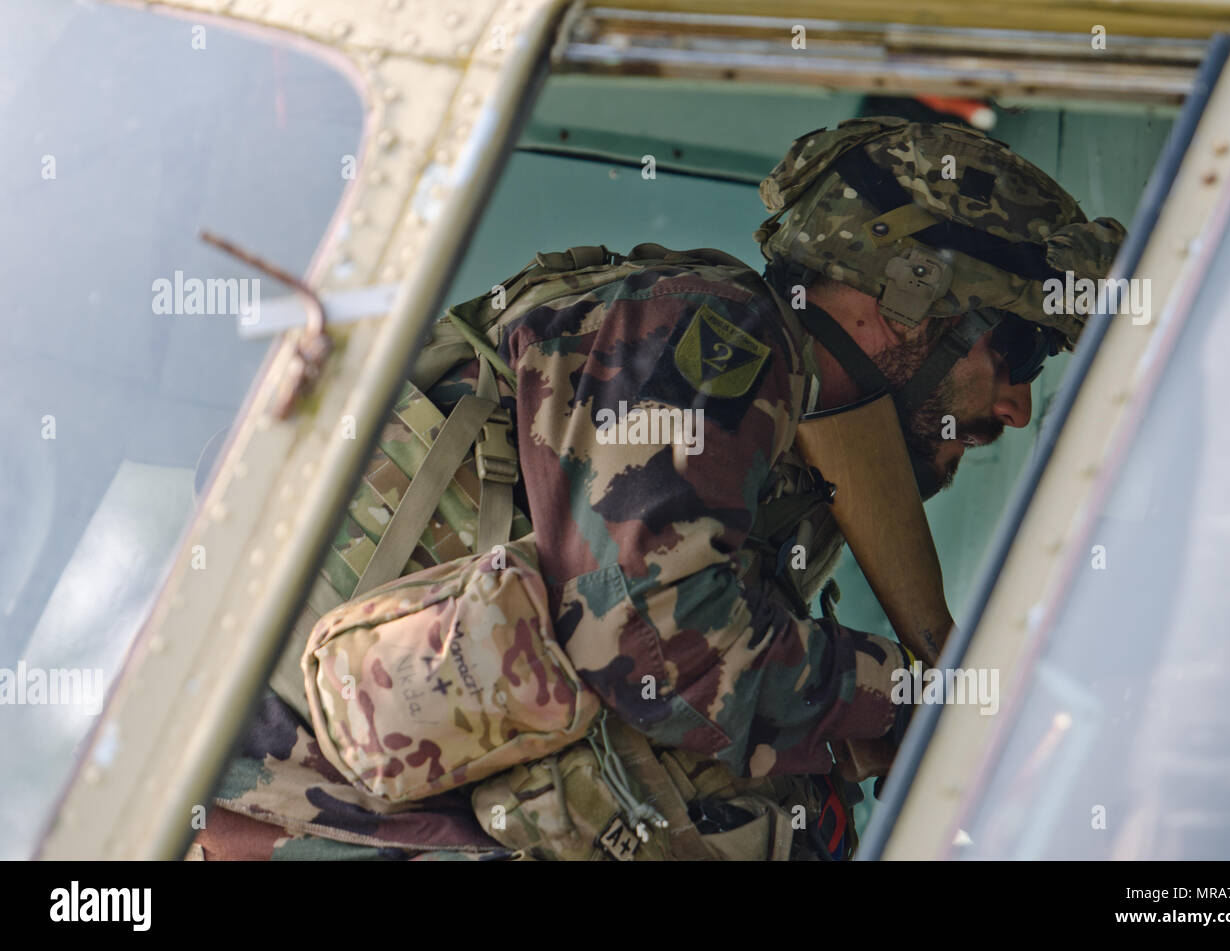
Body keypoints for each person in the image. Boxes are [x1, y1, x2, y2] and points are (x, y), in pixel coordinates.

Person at [192, 116, 1125, 861]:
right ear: (910, 294)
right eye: (1017, 348)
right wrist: (923, 693)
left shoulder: (778, 453)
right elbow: (658, 647)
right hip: (293, 822)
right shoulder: (706, 330)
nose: (1016, 404)